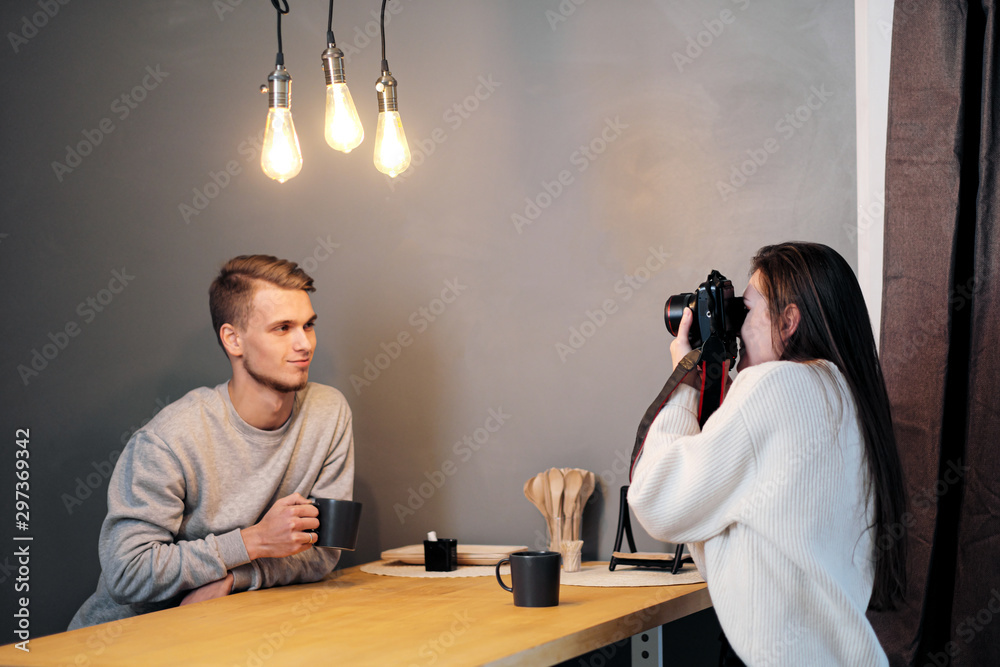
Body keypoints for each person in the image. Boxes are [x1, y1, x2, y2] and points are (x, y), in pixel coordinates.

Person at [628, 242, 906, 666]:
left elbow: (655, 499)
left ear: (788, 321)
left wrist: (685, 378)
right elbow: (734, 519)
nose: (738, 328)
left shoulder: (774, 387)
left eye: (748, 310)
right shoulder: (844, 395)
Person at [69, 255, 355, 629]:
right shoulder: (169, 438)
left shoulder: (329, 413)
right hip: (127, 641)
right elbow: (127, 573)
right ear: (233, 339)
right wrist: (253, 541)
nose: (305, 343)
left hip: (230, 628)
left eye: (308, 325)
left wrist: (236, 578)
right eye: (283, 328)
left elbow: (323, 552)